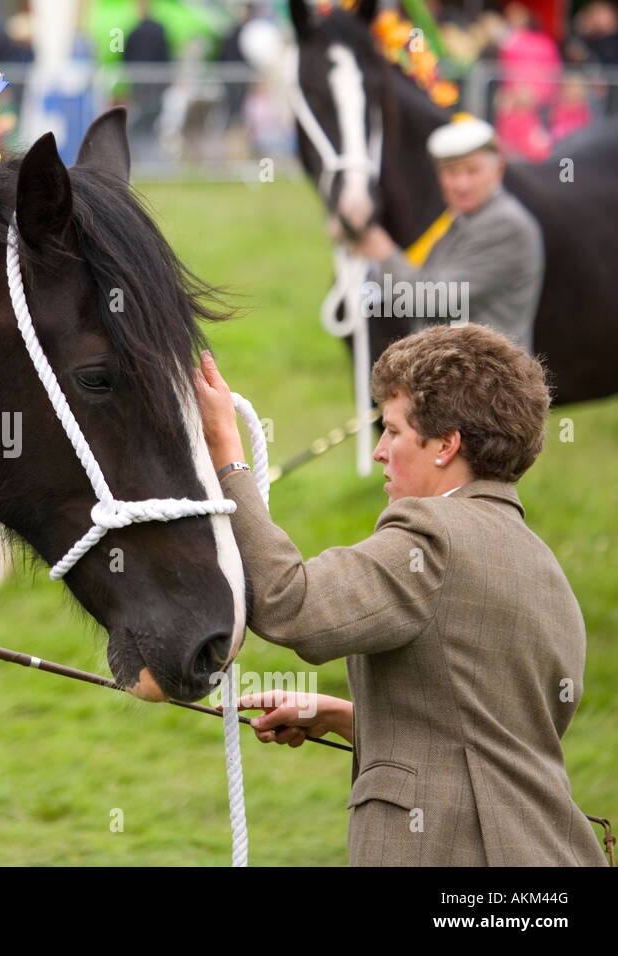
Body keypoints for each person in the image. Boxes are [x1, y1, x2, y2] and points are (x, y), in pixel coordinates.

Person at [193, 325, 606, 866]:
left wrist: (227, 458)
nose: (380, 451)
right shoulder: (545, 567)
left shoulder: (432, 535)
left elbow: (291, 603)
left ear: (446, 445)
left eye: (392, 430)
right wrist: (347, 717)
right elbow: (489, 740)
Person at [350, 114, 544, 352]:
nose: (461, 184)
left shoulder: (505, 225)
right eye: (451, 172)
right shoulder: (465, 219)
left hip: (487, 373)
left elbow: (429, 301)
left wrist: (383, 252)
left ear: (498, 170)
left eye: (472, 171)